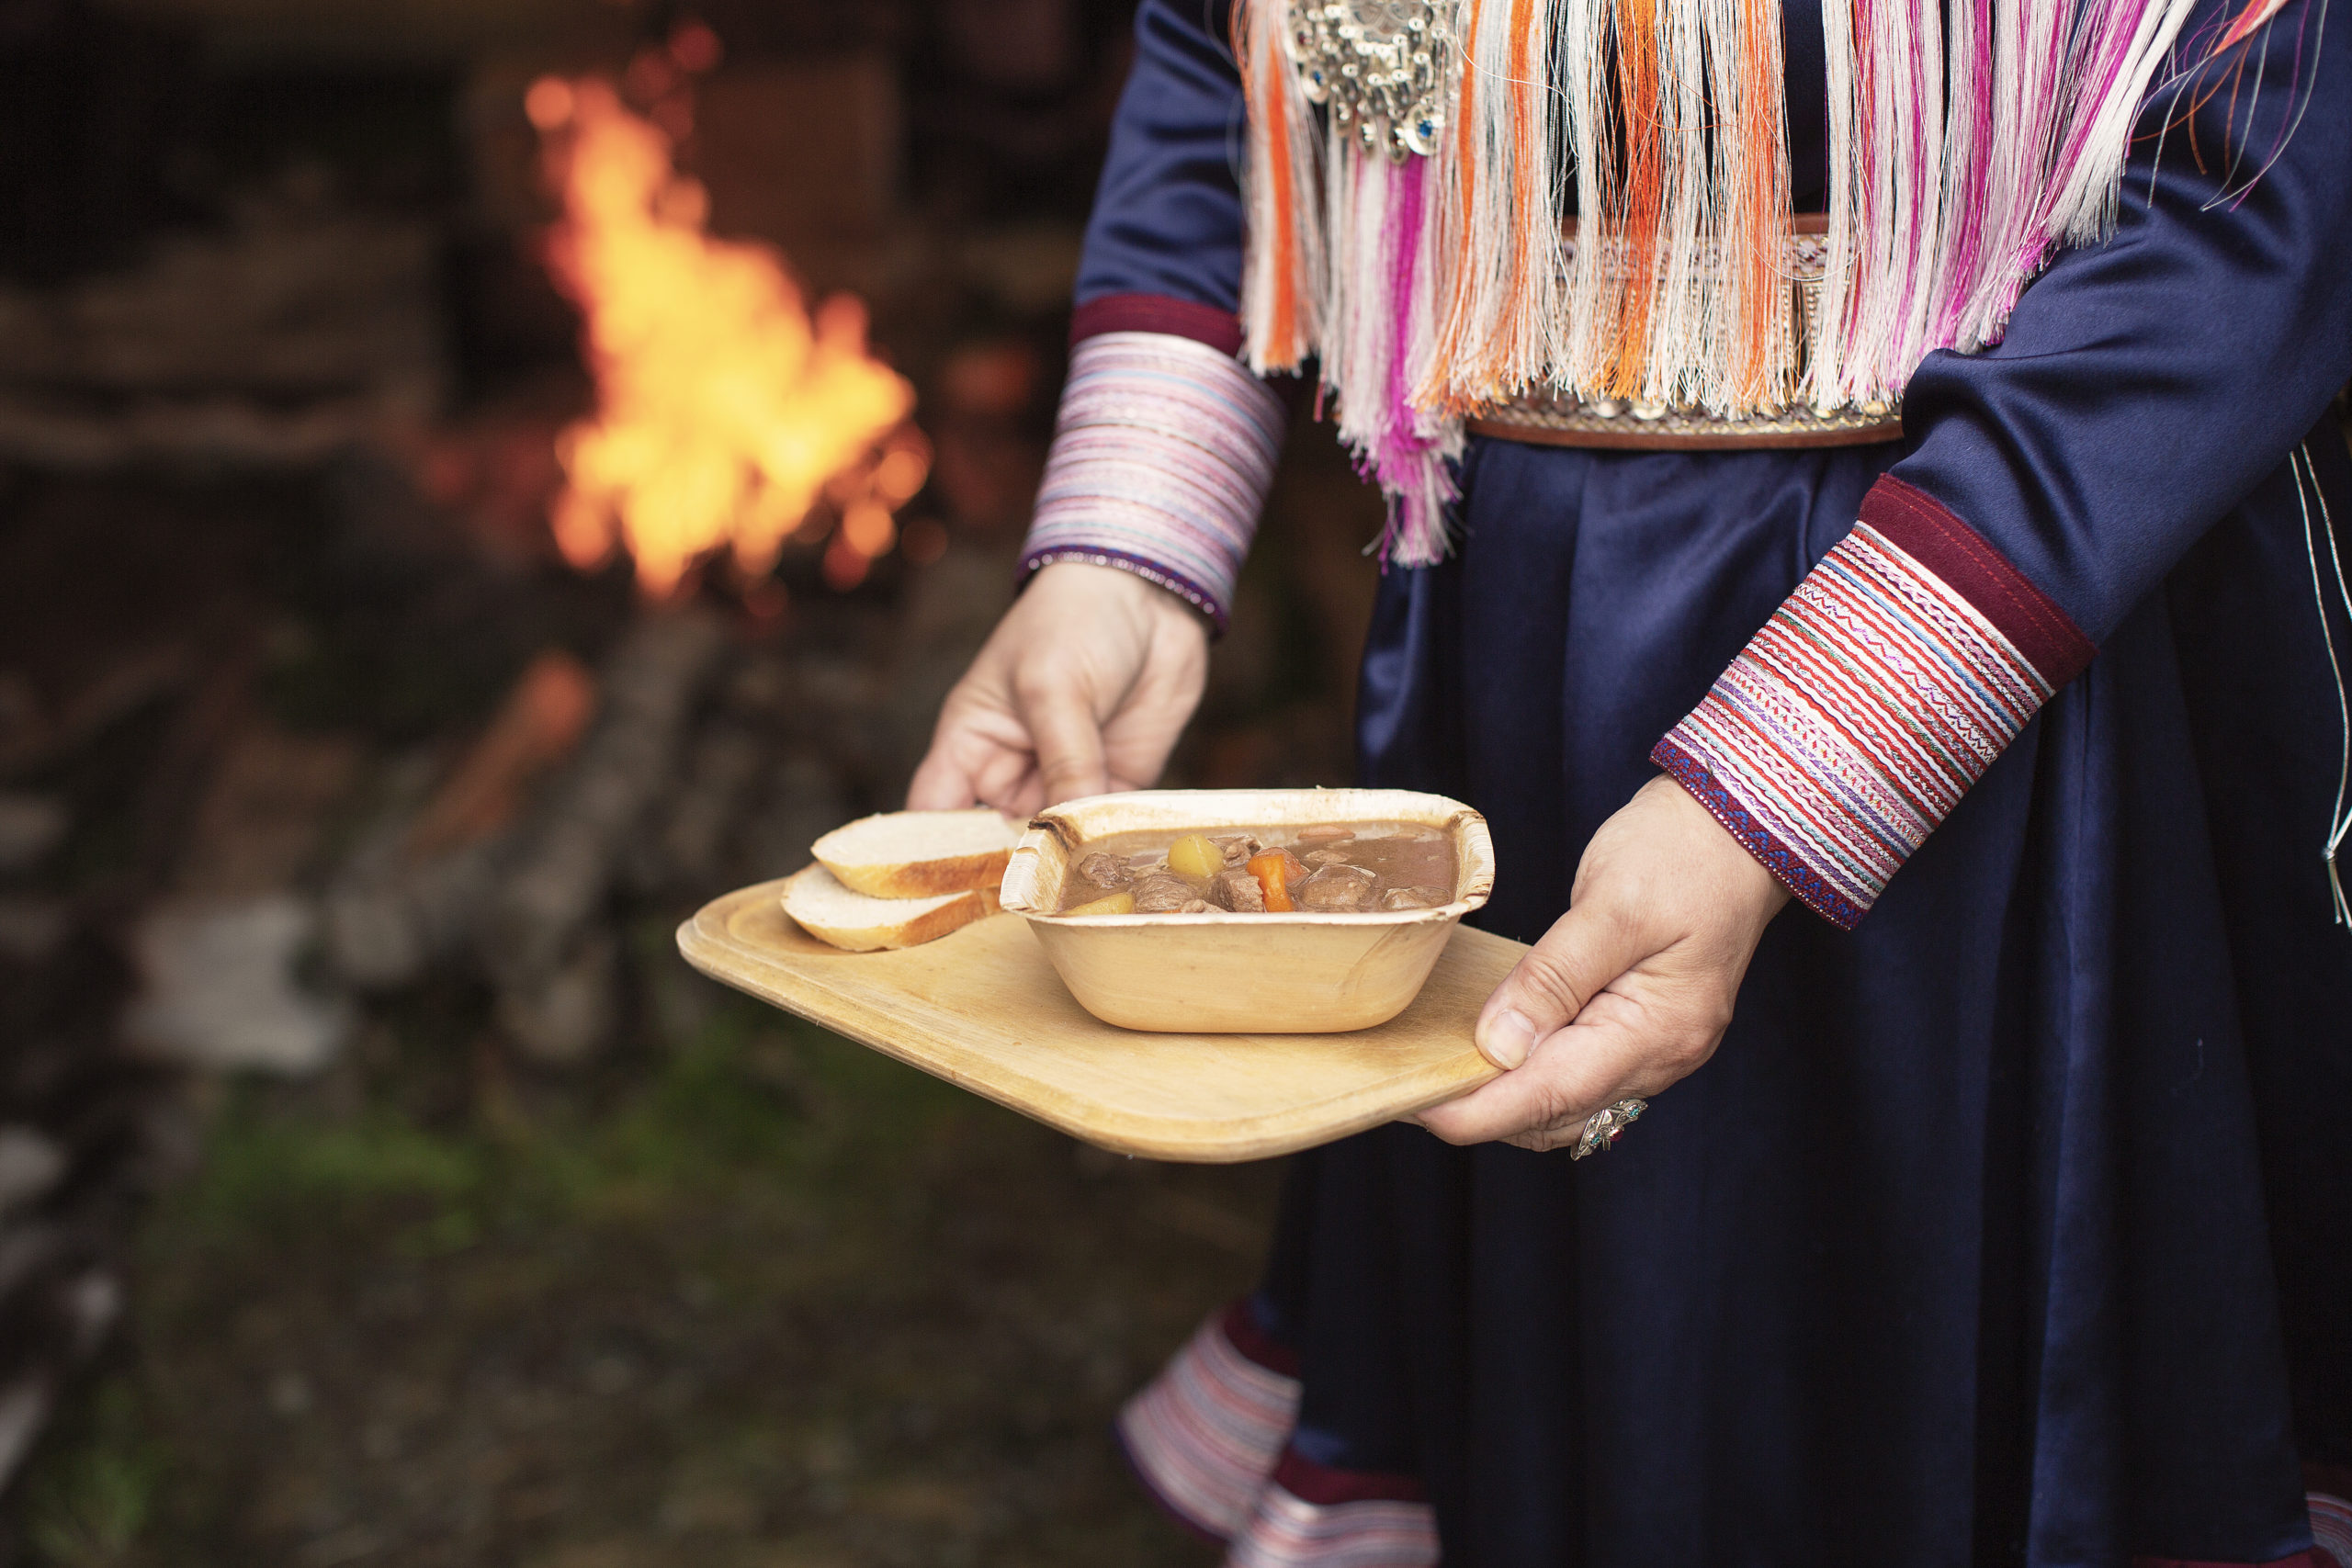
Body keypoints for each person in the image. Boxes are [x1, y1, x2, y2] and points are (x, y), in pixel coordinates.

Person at [910, 0, 2352, 1561]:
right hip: (1519, 635)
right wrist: (1127, 557)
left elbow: (2260, 174)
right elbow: (1224, 49)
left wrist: (1800, 766)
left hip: (2015, 635)